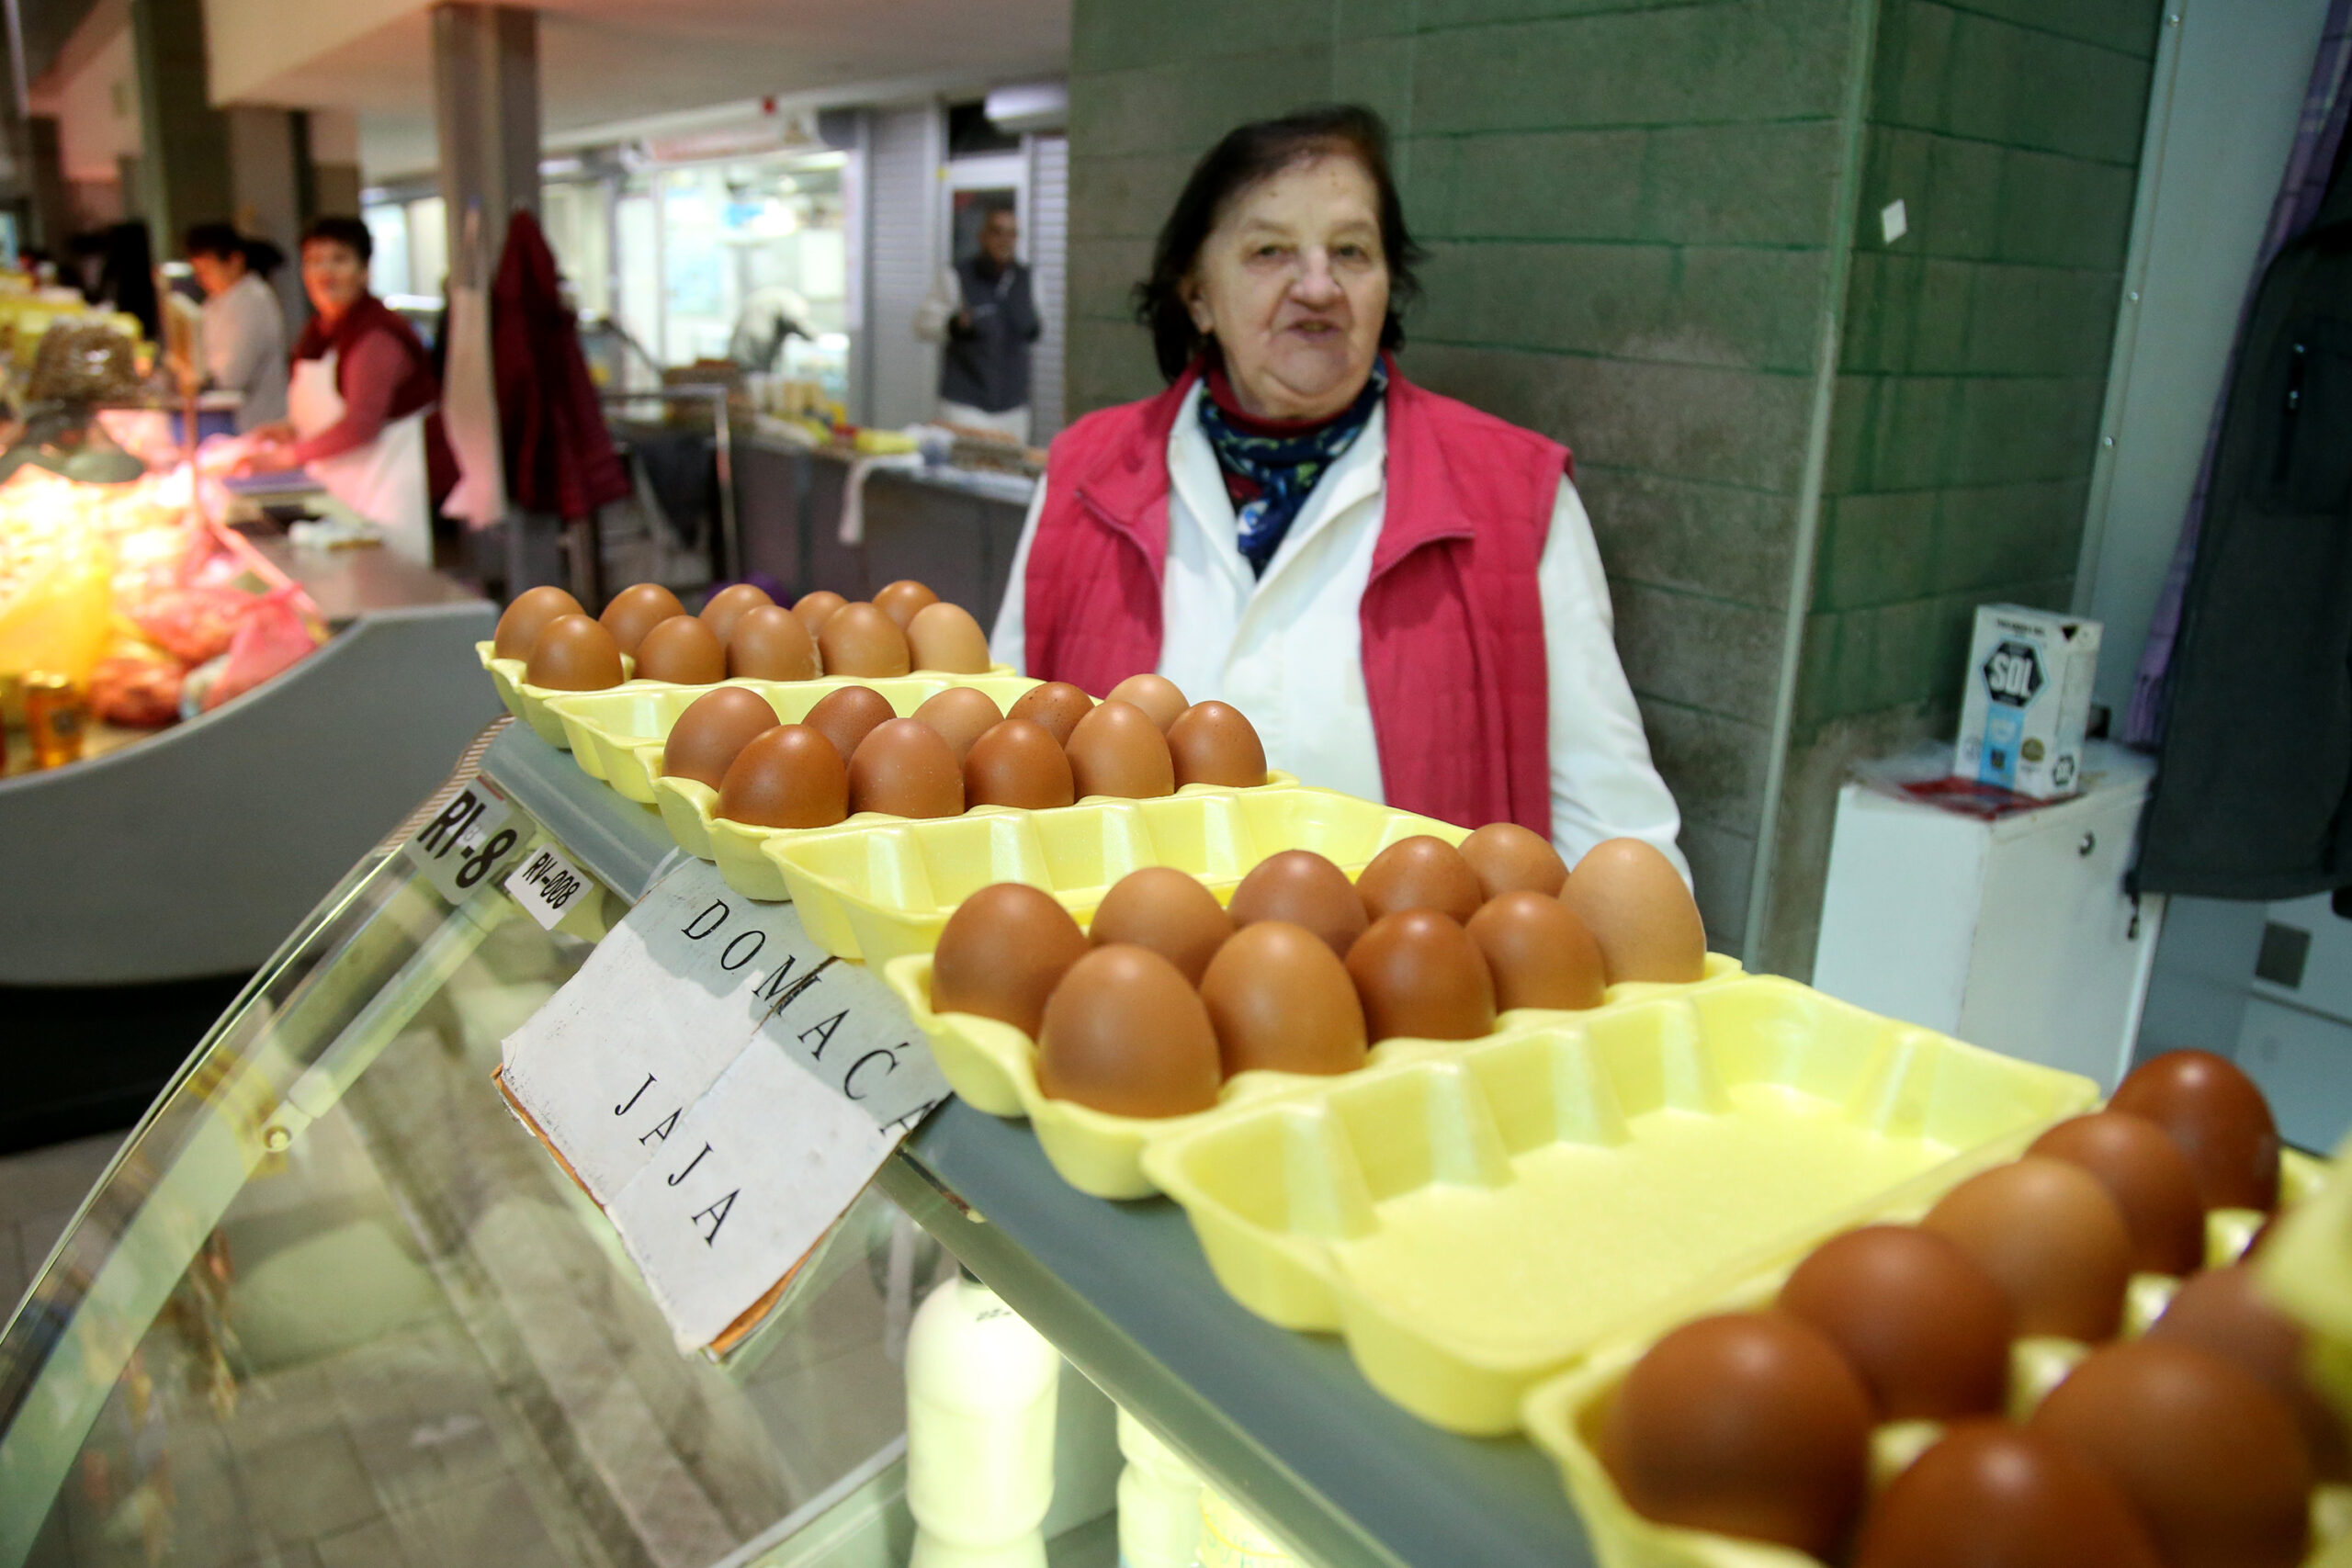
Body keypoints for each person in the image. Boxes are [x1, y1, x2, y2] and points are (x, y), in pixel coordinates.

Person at [990, 106, 1687, 876]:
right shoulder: (1085, 474)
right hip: (1114, 972)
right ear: (1196, 293)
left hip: (1419, 985)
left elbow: (1609, 822)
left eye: (1351, 251)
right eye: (1269, 251)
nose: (1317, 286)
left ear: (1389, 283)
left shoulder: (1514, 494)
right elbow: (1009, 756)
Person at [240, 217, 453, 566]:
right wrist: (287, 428)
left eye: (339, 260)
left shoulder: (377, 335)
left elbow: (360, 425)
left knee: (388, 580)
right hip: (340, 486)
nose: (325, 273)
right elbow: (326, 407)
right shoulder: (321, 330)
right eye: (314, 261)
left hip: (384, 488)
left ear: (364, 271)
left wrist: (285, 458)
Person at [915, 204, 1040, 441]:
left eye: (1011, 234)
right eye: (997, 232)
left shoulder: (1028, 279)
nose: (1004, 240)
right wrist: (953, 325)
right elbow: (923, 324)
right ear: (982, 236)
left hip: (1013, 407)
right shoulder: (956, 276)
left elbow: (1036, 327)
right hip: (966, 406)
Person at [182, 223, 288, 432]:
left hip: (254, 422)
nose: (202, 280)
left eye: (207, 271)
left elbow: (231, 375)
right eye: (199, 273)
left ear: (235, 261)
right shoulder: (213, 304)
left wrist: (198, 375)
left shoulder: (254, 300)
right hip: (224, 420)